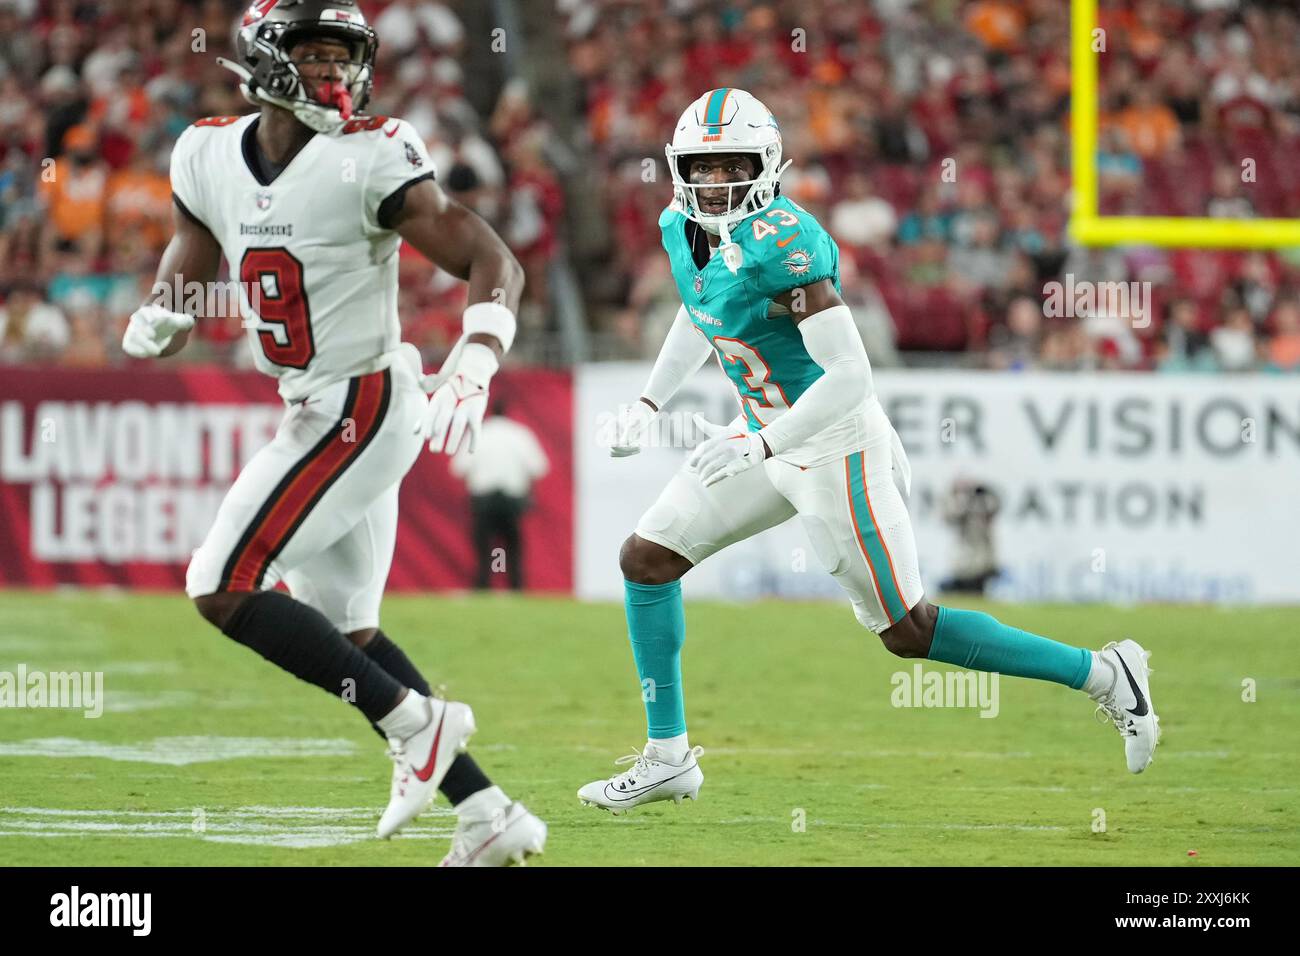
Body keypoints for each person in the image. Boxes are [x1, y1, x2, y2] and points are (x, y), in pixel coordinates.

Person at [579, 88, 1160, 814]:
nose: (716, 183)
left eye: (732, 167)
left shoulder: (785, 244)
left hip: (832, 442)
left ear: (766, 166)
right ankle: (668, 758)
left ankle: (1105, 673)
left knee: (908, 631)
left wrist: (763, 443)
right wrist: (648, 403)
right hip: (762, 433)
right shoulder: (680, 225)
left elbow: (851, 376)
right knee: (647, 558)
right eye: (703, 168)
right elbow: (701, 312)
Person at [120, 0, 544, 866]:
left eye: (344, 56)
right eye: (314, 54)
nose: (335, 72)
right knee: (348, 632)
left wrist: (476, 357)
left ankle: (416, 727)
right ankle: (488, 813)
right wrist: (168, 308)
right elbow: (193, 244)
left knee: (222, 584)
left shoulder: (373, 154)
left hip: (362, 401)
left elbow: (490, 257)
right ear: (263, 59)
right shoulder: (205, 151)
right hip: (317, 401)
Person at [450, 398, 550, 590]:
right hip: (511, 500)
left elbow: (458, 468)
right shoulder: (520, 434)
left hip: (484, 499)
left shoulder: (479, 433)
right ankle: (516, 586)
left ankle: (483, 584)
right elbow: (538, 467)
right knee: (512, 546)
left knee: (484, 546)